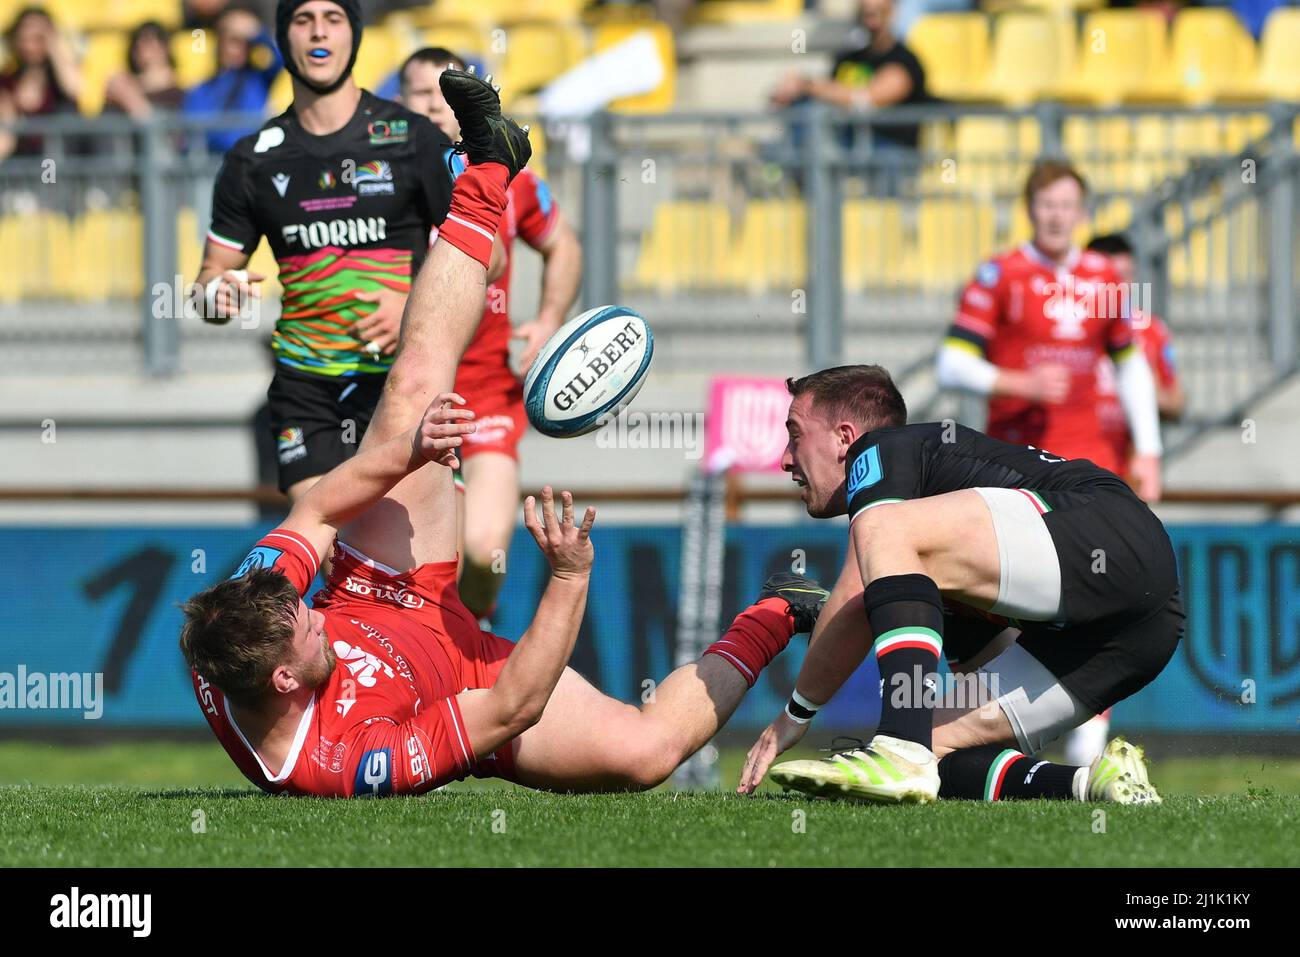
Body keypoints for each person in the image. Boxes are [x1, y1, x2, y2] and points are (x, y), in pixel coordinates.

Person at [181, 70, 827, 797]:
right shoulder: (344, 764)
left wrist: (410, 450)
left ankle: (489, 162)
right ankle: (784, 609)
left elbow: (321, 509)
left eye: (305, 606)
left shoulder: (236, 622)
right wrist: (568, 576)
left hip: (384, 576)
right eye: (311, 630)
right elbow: (513, 704)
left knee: (415, 390)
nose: (317, 619)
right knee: (642, 755)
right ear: (285, 679)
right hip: (461, 680)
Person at [737, 364, 1180, 804]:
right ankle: (1095, 785)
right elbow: (983, 663)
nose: (785, 459)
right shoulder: (934, 563)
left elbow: (856, 593)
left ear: (846, 438)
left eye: (795, 434)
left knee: (881, 532)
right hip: (1148, 625)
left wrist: (795, 714)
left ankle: (899, 748)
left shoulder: (878, 450)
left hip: (1107, 525)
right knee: (938, 751)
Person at [194, 0, 455, 502]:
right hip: (306, 391)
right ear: (283, 38)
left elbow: (487, 259)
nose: (319, 32)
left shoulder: (411, 137)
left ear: (352, 35)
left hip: (404, 381)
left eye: (333, 19)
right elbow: (211, 276)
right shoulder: (252, 160)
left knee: (417, 567)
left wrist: (415, 308)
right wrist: (213, 296)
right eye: (302, 19)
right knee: (328, 549)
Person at [399, 46, 583, 623]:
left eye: (443, 92)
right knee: (414, 571)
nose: (431, 103)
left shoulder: (514, 181)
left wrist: (549, 316)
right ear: (397, 103)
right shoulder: (382, 184)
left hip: (486, 397)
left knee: (483, 555)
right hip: (405, 398)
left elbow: (563, 247)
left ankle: (469, 633)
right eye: (418, 93)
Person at [934, 160, 1164, 504]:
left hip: (1091, 460)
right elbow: (949, 364)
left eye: (1066, 206)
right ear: (1029, 210)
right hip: (1014, 461)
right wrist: (1020, 384)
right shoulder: (1000, 274)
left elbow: (1130, 364)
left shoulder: (1103, 277)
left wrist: (1148, 449)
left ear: (1082, 213)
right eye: (1047, 206)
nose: (1057, 217)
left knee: (1090, 554)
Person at [769, 0, 929, 153]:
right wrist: (795, 90)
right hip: (847, 144)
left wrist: (808, 86)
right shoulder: (848, 57)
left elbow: (866, 99)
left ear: (893, 11)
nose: (871, 19)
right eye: (867, 12)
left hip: (889, 150)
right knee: (803, 112)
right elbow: (830, 90)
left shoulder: (904, 60)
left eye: (878, 11)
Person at [181, 3, 282, 155]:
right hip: (213, 164)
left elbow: (280, 59)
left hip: (250, 161)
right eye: (232, 41)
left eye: (244, 43)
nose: (237, 49)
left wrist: (256, 32)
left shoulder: (257, 80)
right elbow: (194, 129)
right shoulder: (203, 89)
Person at [0, 6, 82, 160]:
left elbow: (75, 89)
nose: (30, 46)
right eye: (25, 38)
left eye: (38, 38)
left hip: (55, 167)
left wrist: (54, 45)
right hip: (20, 165)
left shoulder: (58, 80)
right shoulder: (6, 82)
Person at [104, 21, 185, 119]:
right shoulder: (120, 88)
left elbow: (159, 130)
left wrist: (128, 96)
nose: (146, 52)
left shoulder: (177, 95)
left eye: (153, 45)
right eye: (140, 45)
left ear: (166, 49)